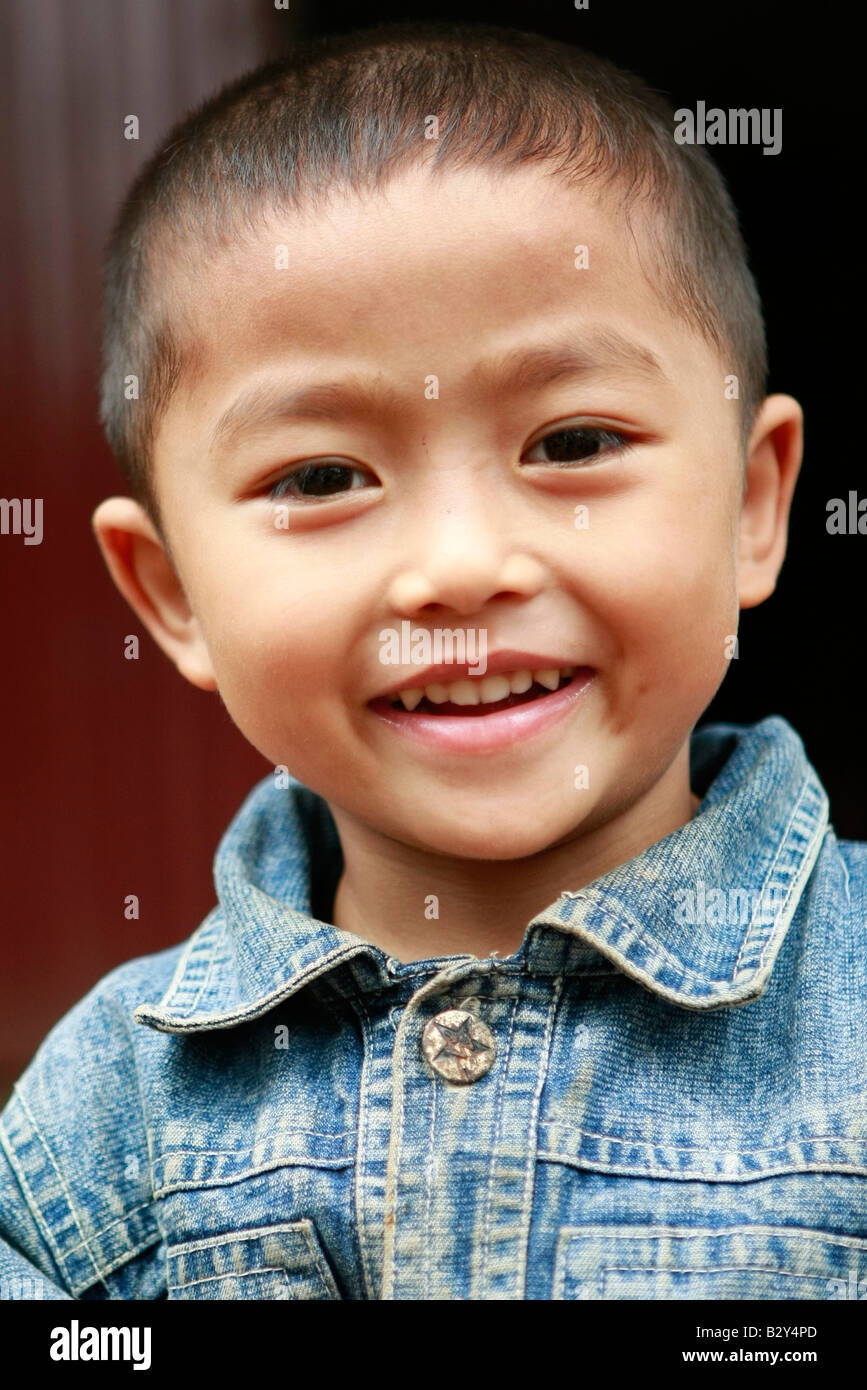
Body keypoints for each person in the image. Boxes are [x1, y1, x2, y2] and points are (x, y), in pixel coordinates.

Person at [2, 21, 864, 1302]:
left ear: (753, 506)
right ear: (171, 592)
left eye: (572, 441)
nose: (461, 566)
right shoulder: (100, 1120)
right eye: (322, 476)